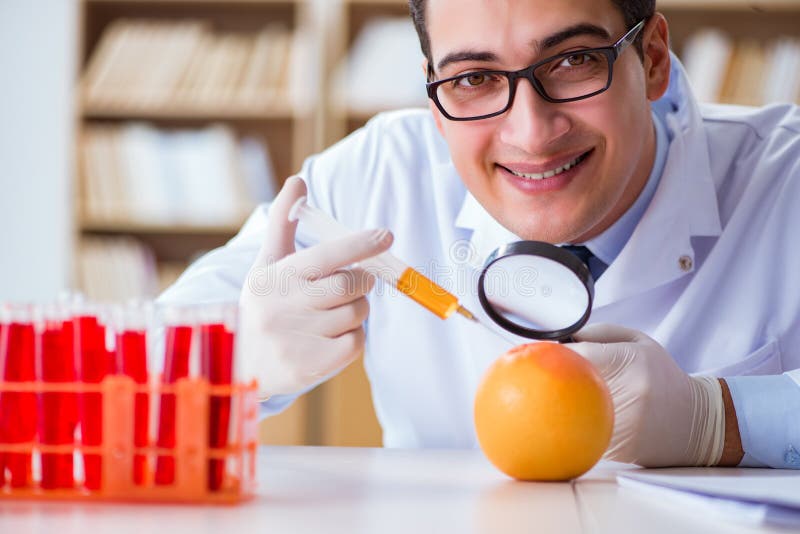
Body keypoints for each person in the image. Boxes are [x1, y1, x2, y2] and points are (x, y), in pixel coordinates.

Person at [159, 0, 800, 469]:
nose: (530, 132)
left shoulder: (785, 180)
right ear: (433, 95)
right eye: (473, 79)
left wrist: (721, 418)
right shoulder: (374, 178)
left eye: (574, 60)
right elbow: (122, 385)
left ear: (652, 57)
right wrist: (232, 364)